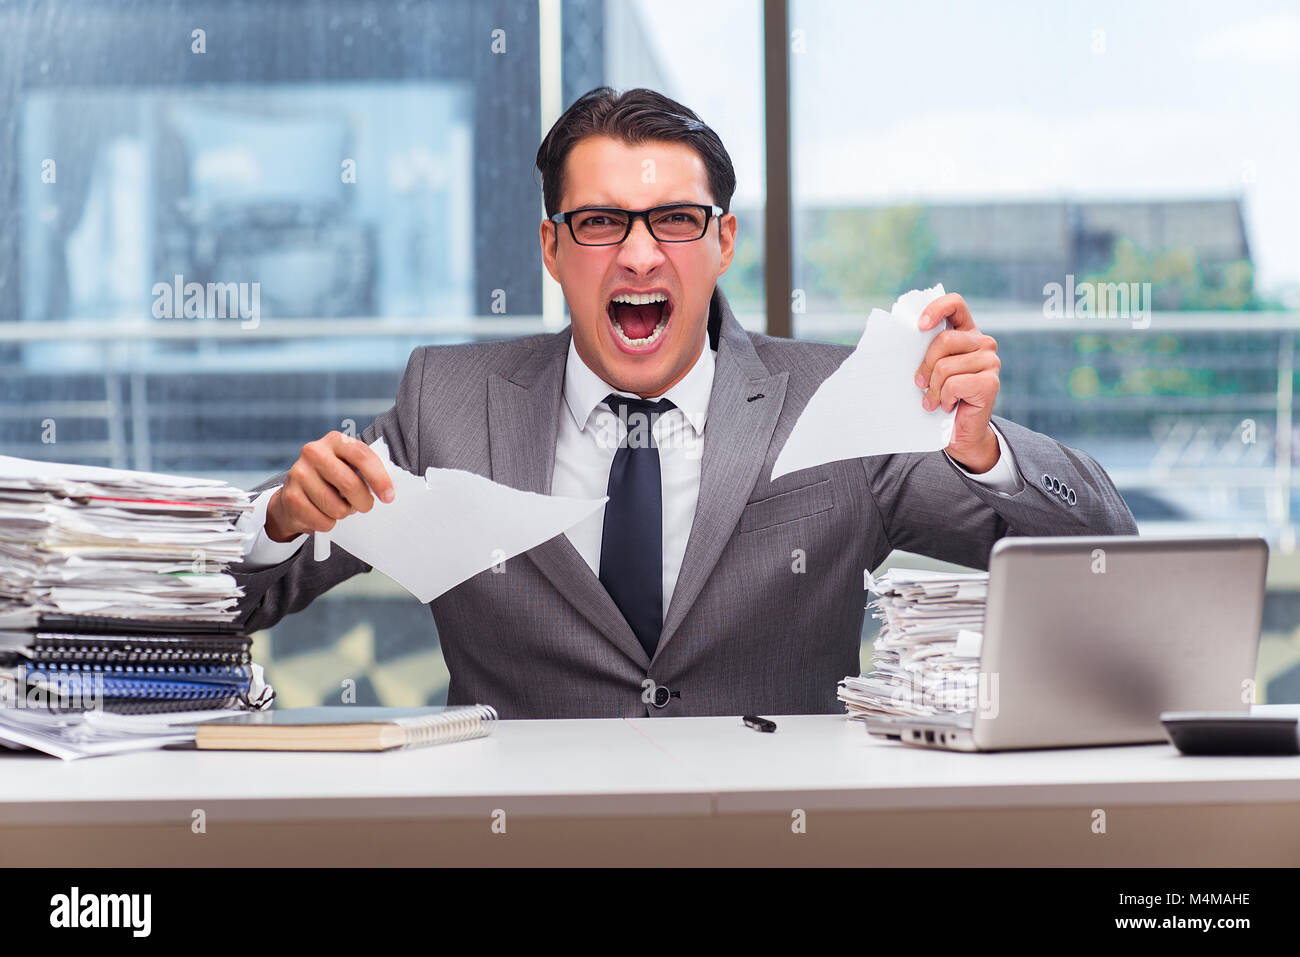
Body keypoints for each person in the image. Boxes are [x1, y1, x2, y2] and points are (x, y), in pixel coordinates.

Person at [231, 86, 1137, 718]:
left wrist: (982, 449)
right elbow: (237, 596)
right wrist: (281, 518)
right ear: (552, 247)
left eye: (674, 220)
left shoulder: (842, 403)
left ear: (723, 241)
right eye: (600, 222)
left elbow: (1104, 555)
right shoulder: (448, 402)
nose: (638, 255)